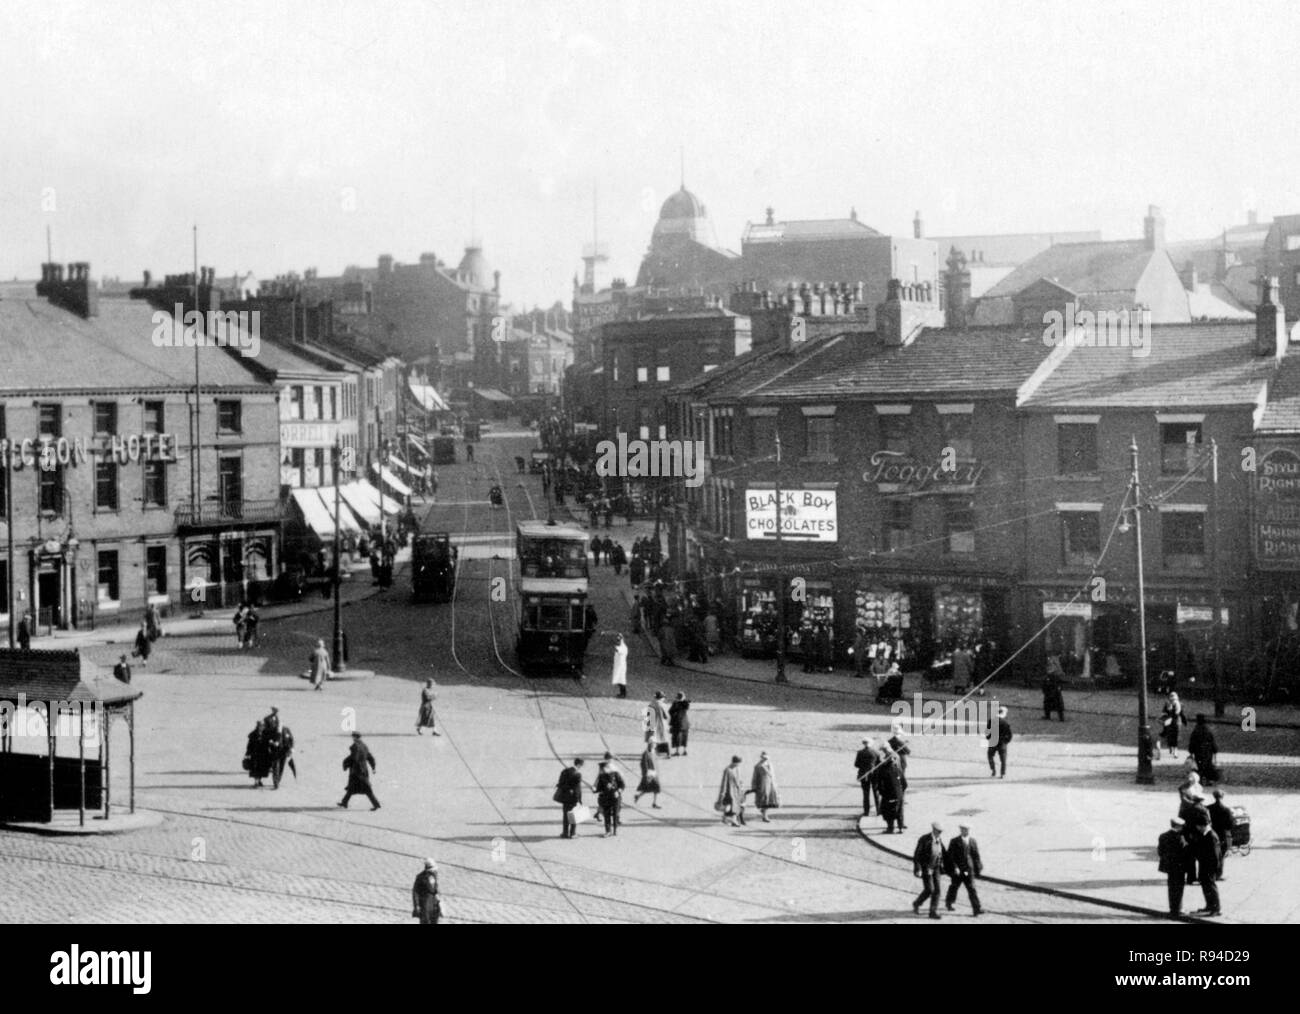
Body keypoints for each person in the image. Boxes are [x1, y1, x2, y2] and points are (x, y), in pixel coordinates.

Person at [944, 823, 984, 915]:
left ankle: (976, 908)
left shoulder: (973, 841)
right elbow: (950, 856)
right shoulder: (954, 841)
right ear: (960, 830)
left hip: (968, 870)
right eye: (963, 829)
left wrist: (978, 869)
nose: (965, 831)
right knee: (954, 887)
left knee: (972, 889)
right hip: (958, 871)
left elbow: (976, 856)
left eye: (967, 830)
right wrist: (955, 867)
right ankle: (949, 902)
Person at [912, 823, 947, 919]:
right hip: (926, 868)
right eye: (938, 831)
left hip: (936, 868)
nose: (940, 834)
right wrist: (918, 868)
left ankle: (933, 912)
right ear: (934, 830)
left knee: (937, 890)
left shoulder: (939, 840)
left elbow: (943, 853)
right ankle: (917, 903)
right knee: (929, 889)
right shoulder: (925, 839)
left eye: (941, 832)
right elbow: (917, 855)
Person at [338, 732, 380, 810]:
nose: (353, 738)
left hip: (357, 771)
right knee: (352, 787)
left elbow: (354, 757)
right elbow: (370, 757)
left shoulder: (355, 746)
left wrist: (346, 763)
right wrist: (373, 766)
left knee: (366, 789)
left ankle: (376, 804)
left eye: (353, 737)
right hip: (363, 770)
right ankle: (344, 802)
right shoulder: (364, 746)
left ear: (355, 737)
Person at [1157, 818, 1190, 916]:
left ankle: (1173, 908)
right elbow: (1184, 852)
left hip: (1169, 866)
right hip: (1179, 867)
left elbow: (1160, 851)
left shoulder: (1163, 836)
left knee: (1171, 887)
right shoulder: (1180, 837)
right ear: (1178, 826)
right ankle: (1178, 909)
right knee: (1179, 888)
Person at [1189, 821, 1222, 916]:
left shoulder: (1211, 836)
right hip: (1204, 865)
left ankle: (1216, 908)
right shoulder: (1206, 834)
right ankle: (1209, 905)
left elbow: (1216, 855)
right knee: (1205, 886)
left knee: (1210, 886)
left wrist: (1214, 869)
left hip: (1209, 867)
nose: (1197, 828)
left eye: (1198, 826)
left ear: (1202, 826)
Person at [877, 747, 906, 833]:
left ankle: (890, 828)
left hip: (888, 795)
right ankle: (900, 828)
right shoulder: (898, 770)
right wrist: (900, 792)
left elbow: (880, 785)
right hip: (899, 795)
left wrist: (883, 794)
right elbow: (904, 784)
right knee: (899, 811)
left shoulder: (883, 771)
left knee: (888, 812)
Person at [555, 758, 585, 839]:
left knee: (565, 816)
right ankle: (573, 833)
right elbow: (577, 790)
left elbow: (560, 783)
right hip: (573, 799)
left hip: (565, 798)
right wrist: (579, 800)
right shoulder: (578, 775)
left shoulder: (565, 771)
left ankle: (565, 833)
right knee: (573, 815)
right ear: (579, 765)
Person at [594, 760, 626, 837]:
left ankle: (615, 830)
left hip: (615, 797)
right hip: (606, 797)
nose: (601, 771)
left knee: (615, 813)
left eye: (602, 769)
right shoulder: (602, 777)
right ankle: (608, 831)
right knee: (606, 814)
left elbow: (622, 785)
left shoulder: (616, 774)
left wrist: (618, 792)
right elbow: (599, 788)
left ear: (607, 768)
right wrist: (594, 790)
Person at [1207, 789, 1233, 879]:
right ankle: (1218, 874)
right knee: (1221, 855)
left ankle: (1210, 873)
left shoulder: (1208, 808)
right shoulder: (1226, 810)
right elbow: (1230, 825)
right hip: (1222, 834)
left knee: (1211, 854)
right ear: (1223, 797)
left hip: (1211, 832)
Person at [854, 738, 881, 817]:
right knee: (876, 793)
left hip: (863, 775)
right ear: (871, 744)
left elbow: (856, 764)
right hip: (874, 775)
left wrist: (863, 766)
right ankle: (878, 811)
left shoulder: (860, 753)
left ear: (864, 744)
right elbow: (879, 763)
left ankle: (866, 812)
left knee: (866, 794)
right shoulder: (876, 752)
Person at [1187, 714, 1218, 783]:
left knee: (1200, 765)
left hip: (1198, 751)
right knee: (1208, 764)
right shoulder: (1208, 730)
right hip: (1208, 751)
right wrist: (1215, 750)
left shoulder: (1195, 731)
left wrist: (1191, 750)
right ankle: (1208, 779)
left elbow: (1192, 742)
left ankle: (1200, 779)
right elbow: (1212, 741)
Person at [716, 756, 746, 827]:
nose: (738, 765)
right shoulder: (727, 770)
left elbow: (738, 780)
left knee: (734, 806)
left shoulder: (736, 769)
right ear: (734, 762)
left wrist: (740, 787)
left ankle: (727, 819)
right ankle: (733, 821)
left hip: (735, 791)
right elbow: (724, 782)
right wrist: (722, 794)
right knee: (732, 806)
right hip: (729, 792)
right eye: (737, 763)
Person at [749, 752, 780, 822]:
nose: (765, 759)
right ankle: (765, 816)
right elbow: (755, 777)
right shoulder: (758, 766)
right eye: (764, 758)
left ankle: (764, 813)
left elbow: (773, 775)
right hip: (762, 785)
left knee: (769, 800)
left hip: (771, 785)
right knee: (764, 800)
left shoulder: (770, 764)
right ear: (761, 758)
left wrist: (775, 783)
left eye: (766, 758)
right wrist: (754, 786)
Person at [412, 859, 441, 925]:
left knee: (435, 921)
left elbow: (436, 889)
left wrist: (439, 901)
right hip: (425, 903)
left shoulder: (434, 875)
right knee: (426, 921)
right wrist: (416, 905)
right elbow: (415, 892)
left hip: (434, 903)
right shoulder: (420, 877)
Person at [634, 741, 662, 808]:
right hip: (649, 773)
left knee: (657, 787)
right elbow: (643, 764)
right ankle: (638, 796)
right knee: (647, 788)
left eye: (655, 744)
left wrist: (657, 772)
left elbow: (656, 763)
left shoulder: (654, 752)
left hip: (654, 773)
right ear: (649, 745)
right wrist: (646, 773)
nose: (654, 745)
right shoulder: (645, 753)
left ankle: (654, 803)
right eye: (653, 744)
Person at [988, 706, 1012, 778]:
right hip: (1002, 742)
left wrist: (989, 738)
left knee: (990, 756)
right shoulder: (1005, 723)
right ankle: (1002, 773)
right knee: (1003, 758)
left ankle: (993, 770)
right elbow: (1009, 735)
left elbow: (987, 732)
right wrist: (1006, 741)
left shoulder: (991, 721)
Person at [1161, 691, 1186, 759]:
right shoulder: (1167, 704)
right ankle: (1171, 747)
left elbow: (1181, 713)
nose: (1173, 701)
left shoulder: (1179, 704)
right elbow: (1164, 713)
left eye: (1174, 699)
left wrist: (1184, 721)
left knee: (1174, 736)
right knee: (1170, 736)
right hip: (1171, 722)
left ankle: (1174, 749)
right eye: (1172, 699)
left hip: (1175, 722)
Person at [271, 724, 296, 789]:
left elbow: (291, 739)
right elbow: (268, 739)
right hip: (275, 752)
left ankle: (278, 781)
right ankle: (275, 783)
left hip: (284, 752)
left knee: (281, 767)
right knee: (275, 768)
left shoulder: (286, 730)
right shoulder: (272, 730)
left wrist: (291, 748)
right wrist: (272, 743)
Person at [668, 691, 691, 756]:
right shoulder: (685, 704)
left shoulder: (676, 704)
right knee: (684, 737)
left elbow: (670, 711)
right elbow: (687, 705)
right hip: (685, 722)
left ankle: (677, 752)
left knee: (677, 737)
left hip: (677, 722)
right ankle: (684, 751)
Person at [611, 634, 629, 698]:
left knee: (621, 680)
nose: (618, 641)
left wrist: (615, 647)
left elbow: (618, 651)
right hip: (618, 666)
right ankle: (621, 693)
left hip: (621, 666)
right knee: (619, 680)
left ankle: (623, 694)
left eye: (619, 640)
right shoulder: (620, 646)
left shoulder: (623, 647)